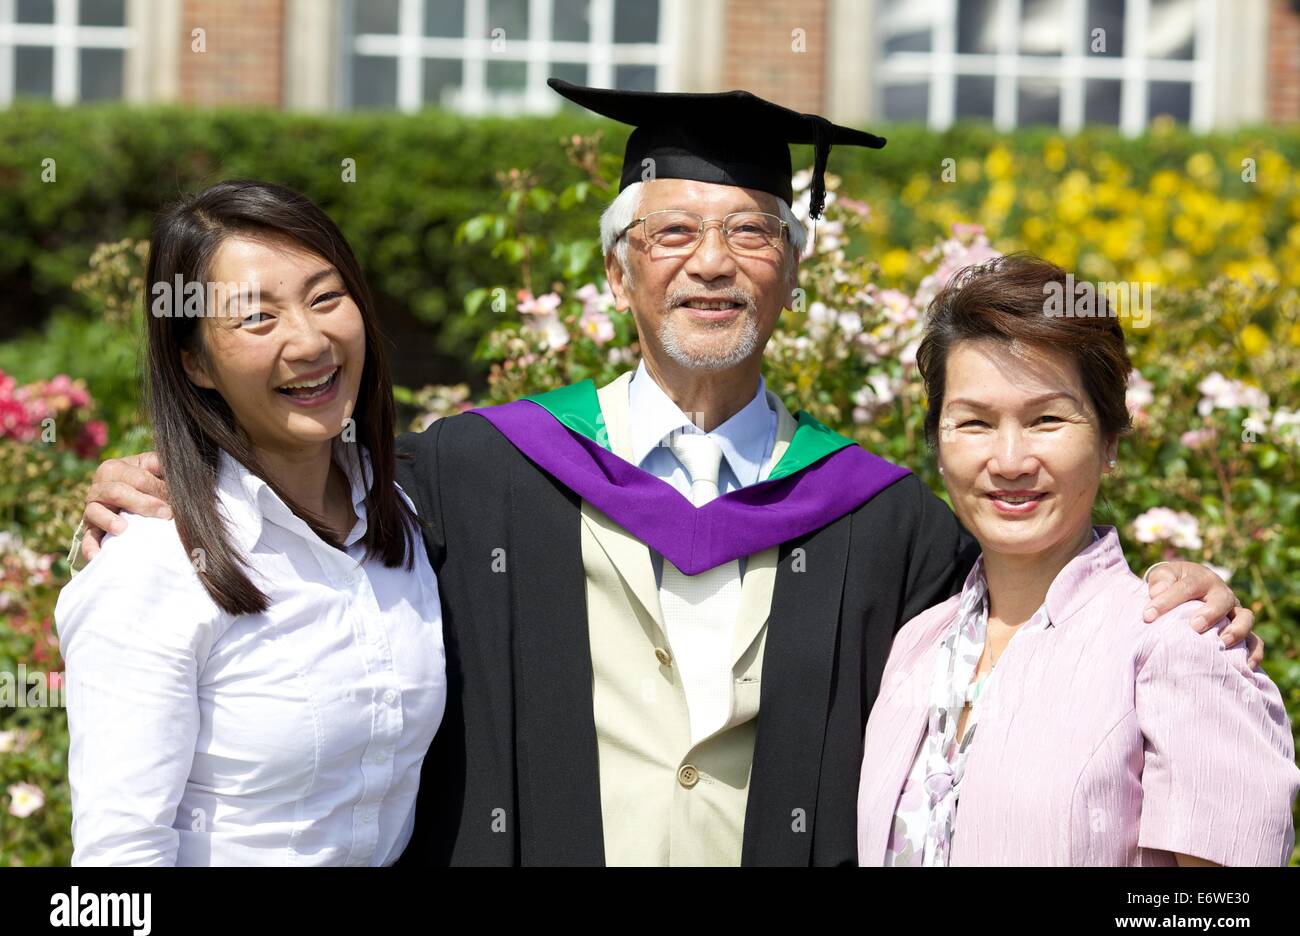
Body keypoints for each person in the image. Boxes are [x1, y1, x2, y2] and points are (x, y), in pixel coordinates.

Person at [71, 82, 1255, 867]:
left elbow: (1027, 623)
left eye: (749, 232)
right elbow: (298, 502)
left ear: (791, 272)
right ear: (620, 268)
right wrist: (157, 478)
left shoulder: (886, 521)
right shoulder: (475, 468)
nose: (710, 265)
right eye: (671, 234)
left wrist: (1185, 591)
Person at [856, 254, 1299, 866]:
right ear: (936, 441)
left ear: (1110, 439)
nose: (1010, 460)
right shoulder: (914, 648)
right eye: (975, 423)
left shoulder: (1178, 642)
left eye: (1046, 420)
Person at [55, 181, 446, 865]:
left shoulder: (405, 519)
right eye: (256, 319)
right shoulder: (154, 563)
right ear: (195, 362)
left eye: (327, 298)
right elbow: (120, 860)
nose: (310, 340)